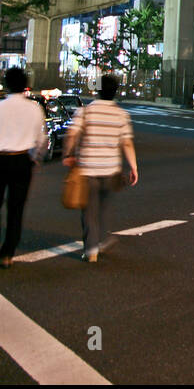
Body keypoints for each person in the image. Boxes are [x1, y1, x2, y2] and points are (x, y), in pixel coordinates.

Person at [0, 67, 47, 268]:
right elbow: (41, 139)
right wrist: (34, 158)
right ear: (25, 85)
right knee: (16, 209)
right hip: (22, 161)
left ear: (6, 85)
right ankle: (7, 254)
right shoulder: (35, 109)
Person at [63, 74, 139, 264]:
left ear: (97, 91)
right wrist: (134, 167)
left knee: (89, 211)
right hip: (111, 170)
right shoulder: (121, 115)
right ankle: (103, 239)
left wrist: (68, 154)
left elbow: (72, 134)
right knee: (103, 208)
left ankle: (91, 250)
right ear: (115, 92)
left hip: (88, 169)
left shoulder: (86, 112)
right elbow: (127, 143)